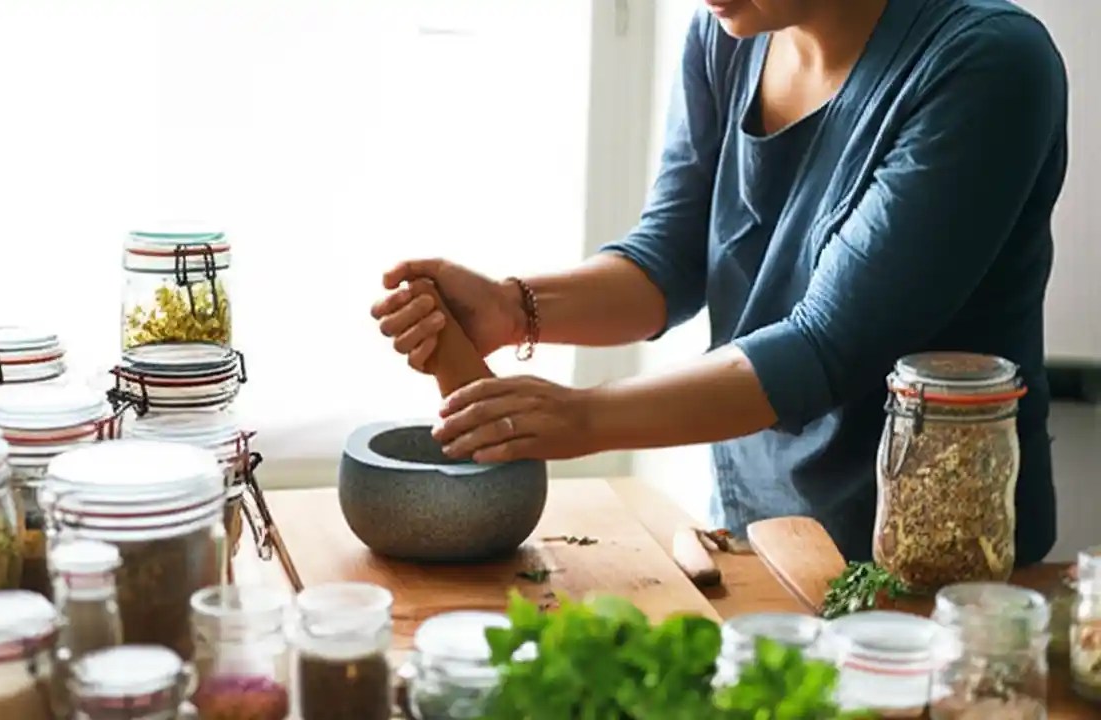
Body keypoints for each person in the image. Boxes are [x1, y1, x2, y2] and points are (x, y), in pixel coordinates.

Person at [369, 0, 1068, 564]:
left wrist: (578, 418)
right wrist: (515, 307)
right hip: (762, 535)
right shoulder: (727, 33)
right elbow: (668, 260)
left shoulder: (988, 64)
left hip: (944, 556)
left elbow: (824, 348)